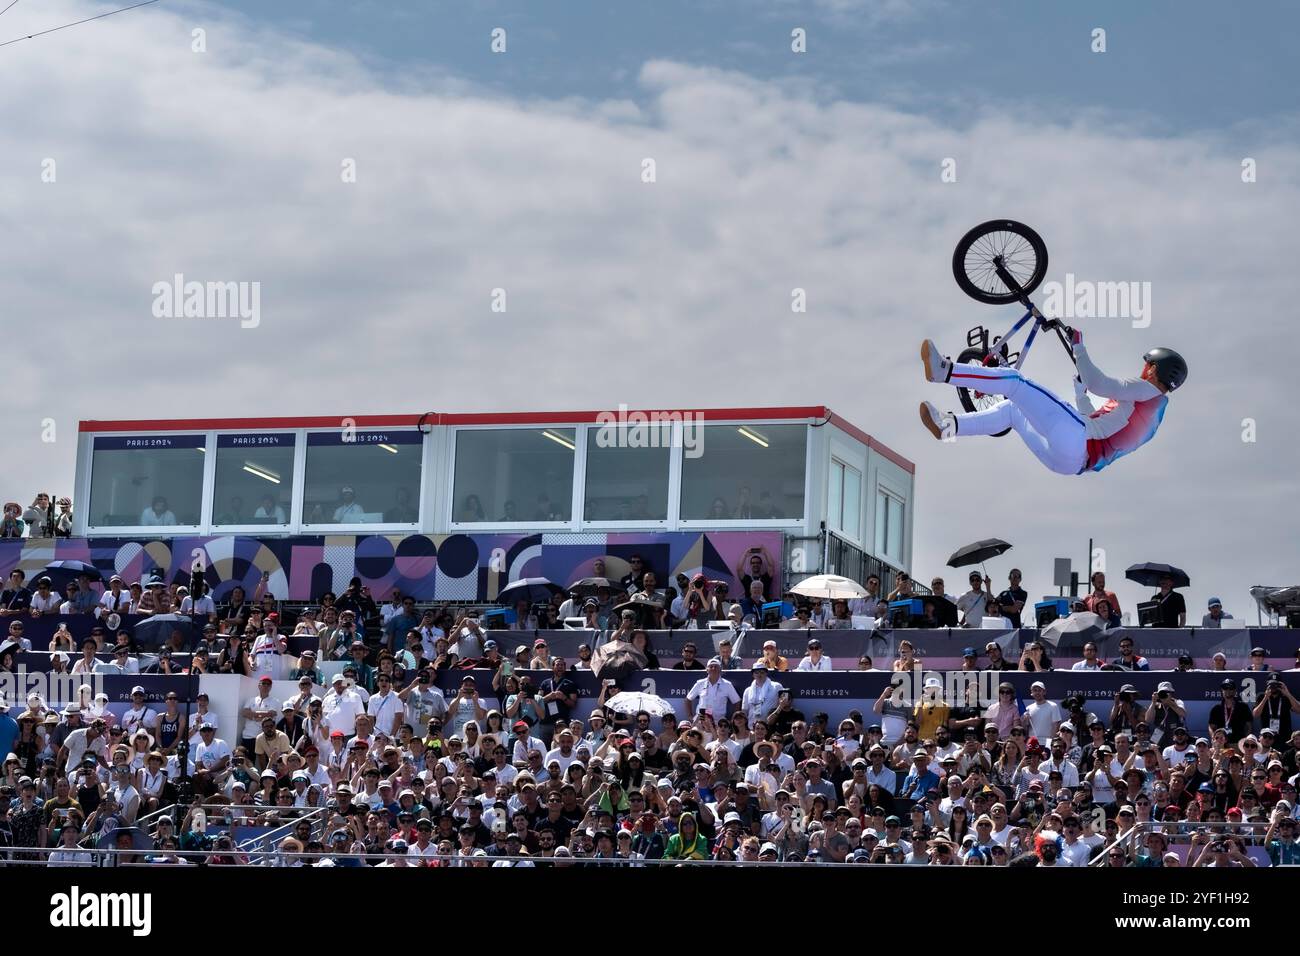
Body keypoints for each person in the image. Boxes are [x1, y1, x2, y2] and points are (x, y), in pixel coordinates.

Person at [918, 330, 1187, 476]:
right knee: (1013, 410)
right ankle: (949, 426)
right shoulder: (1151, 415)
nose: (1144, 368)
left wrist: (1079, 347)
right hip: (1068, 463)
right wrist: (1080, 395)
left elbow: (1099, 383)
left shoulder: (1147, 390)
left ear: (1154, 369)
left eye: (1147, 365)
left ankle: (945, 371)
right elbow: (1101, 426)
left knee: (1014, 381)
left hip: (1076, 439)